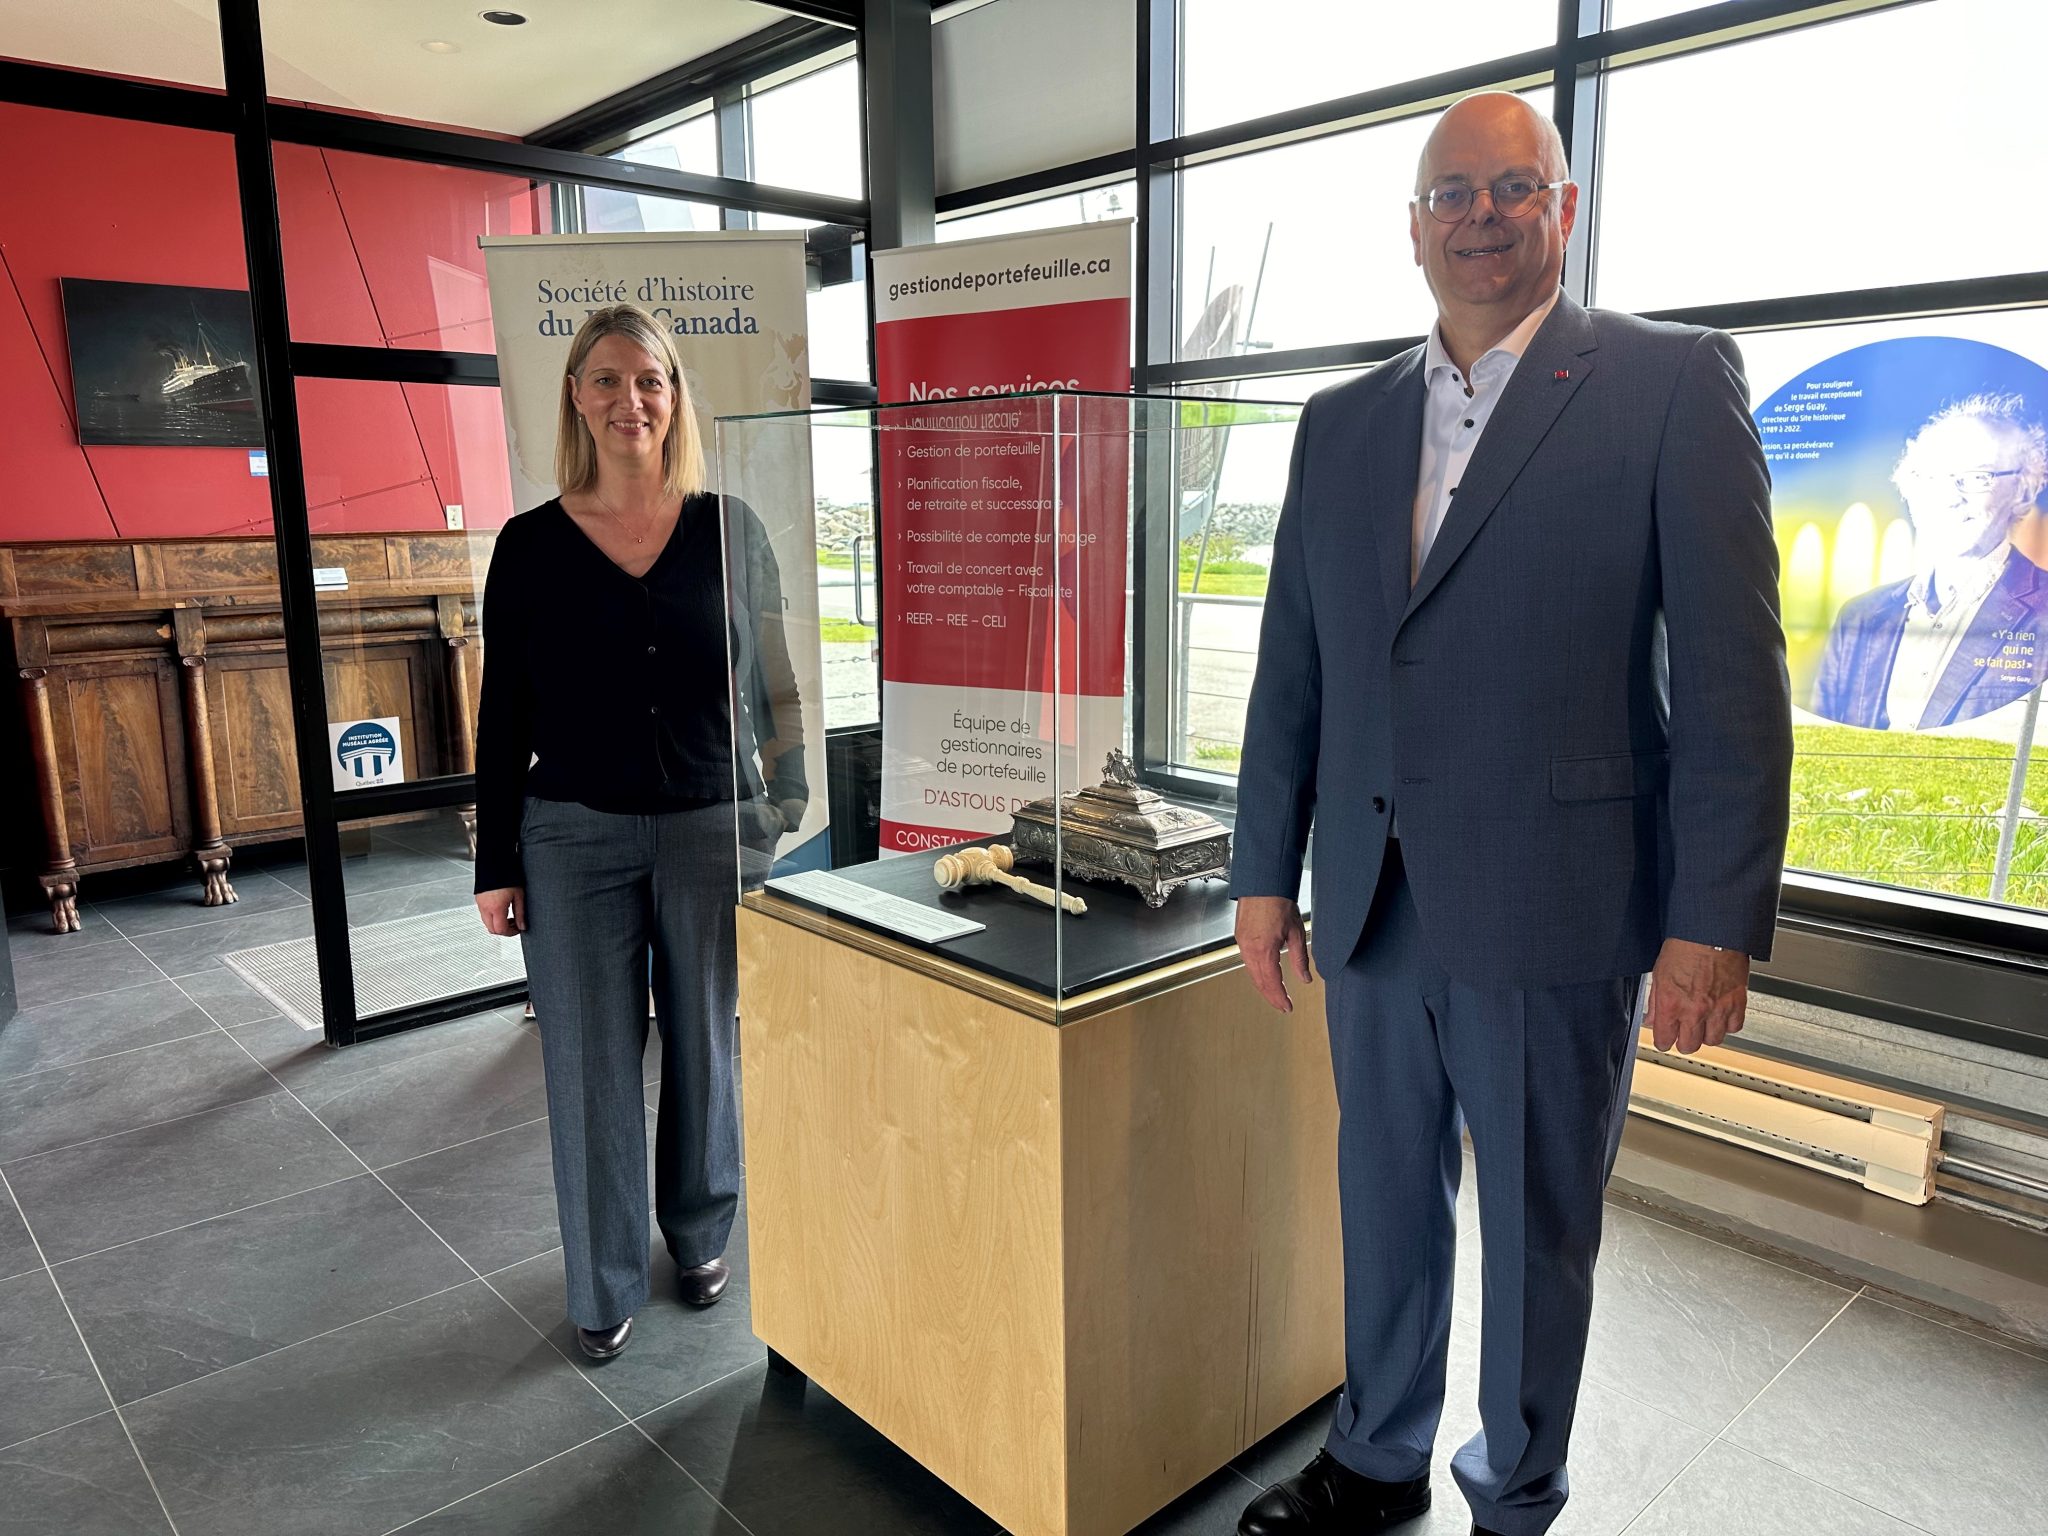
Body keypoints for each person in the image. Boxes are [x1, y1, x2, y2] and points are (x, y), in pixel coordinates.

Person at [1229, 93, 1791, 1536]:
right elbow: (1298, 660)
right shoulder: (1342, 423)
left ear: (1566, 207)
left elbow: (1736, 681)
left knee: (1539, 1237)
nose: (1480, 215)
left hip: (1560, 901)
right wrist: (1261, 872)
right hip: (1370, 897)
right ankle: (1373, 1452)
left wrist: (1711, 922)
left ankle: (1516, 1490)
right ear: (1411, 227)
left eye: (1510, 189)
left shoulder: (1671, 385)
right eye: (1451, 193)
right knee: (1383, 1202)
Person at [473, 303, 805, 1362]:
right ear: (576, 395)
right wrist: (494, 863)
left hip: (712, 830)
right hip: (569, 839)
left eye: (651, 380)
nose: (632, 401)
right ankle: (603, 1276)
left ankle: (701, 1231)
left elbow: (777, 683)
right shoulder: (527, 548)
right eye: (608, 381)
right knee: (587, 1063)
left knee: (707, 1046)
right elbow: (500, 715)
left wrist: (785, 803)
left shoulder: (729, 527)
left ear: (676, 396)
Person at [1810, 393, 2048, 730]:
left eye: (1978, 477)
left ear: (2023, 490)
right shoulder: (1861, 616)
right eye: (1933, 476)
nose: (1950, 497)